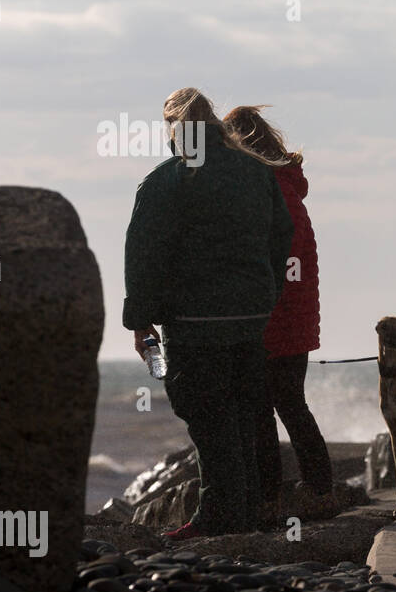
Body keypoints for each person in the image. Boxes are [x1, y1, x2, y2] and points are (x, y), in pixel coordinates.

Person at [123, 88, 294, 539]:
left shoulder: (169, 181)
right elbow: (281, 236)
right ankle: (247, 515)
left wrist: (141, 320)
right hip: (249, 318)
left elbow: (144, 253)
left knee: (206, 413)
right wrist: (267, 294)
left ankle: (219, 518)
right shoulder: (255, 172)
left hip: (195, 322)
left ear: (174, 128)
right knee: (242, 414)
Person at [224, 105, 335, 522]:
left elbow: (284, 249)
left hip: (276, 319)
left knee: (272, 409)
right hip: (289, 318)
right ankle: (306, 494)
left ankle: (284, 498)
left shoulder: (274, 186)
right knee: (283, 407)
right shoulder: (281, 182)